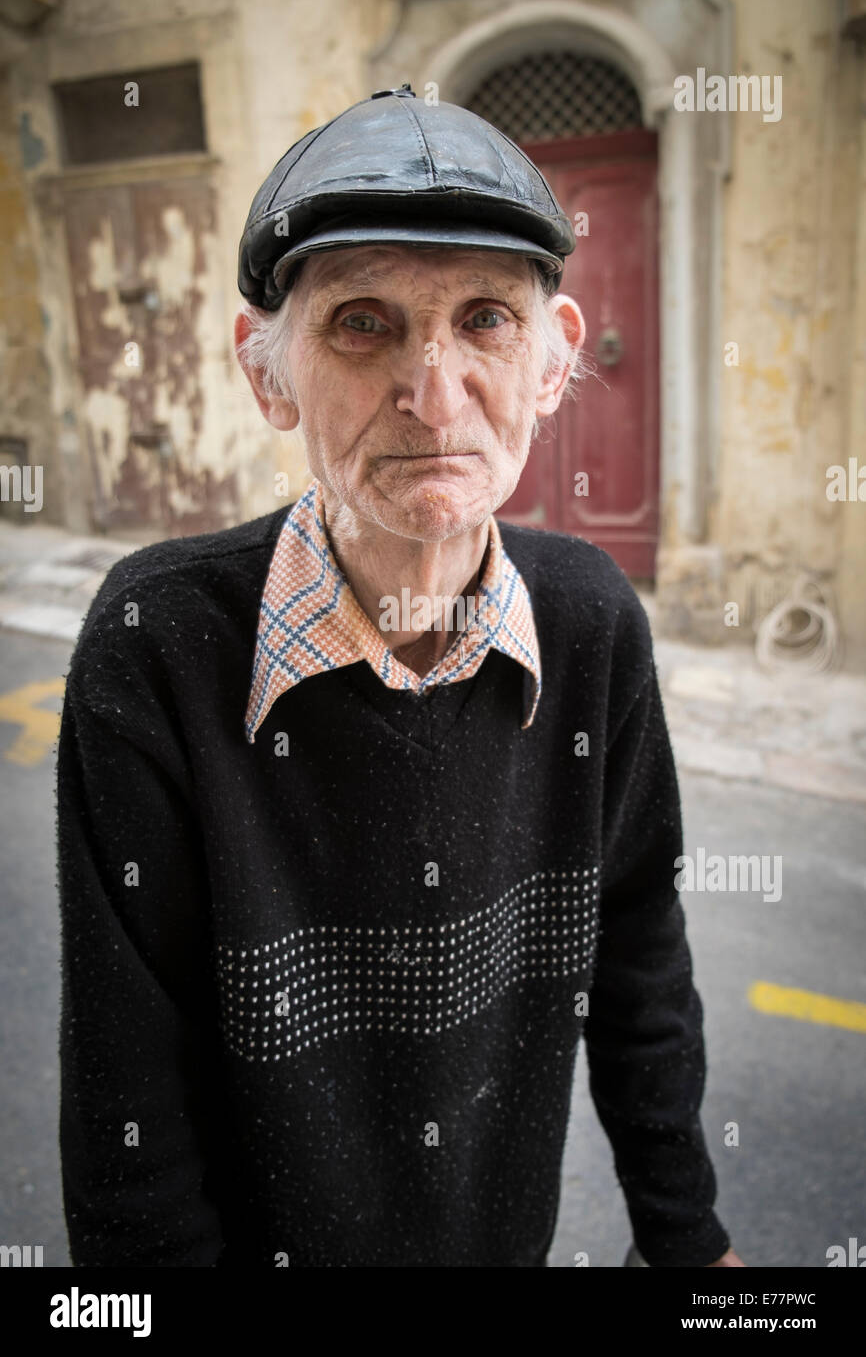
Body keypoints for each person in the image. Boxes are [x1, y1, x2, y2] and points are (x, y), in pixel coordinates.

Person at [56, 86, 743, 1268]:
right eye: (362, 323)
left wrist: (686, 1242)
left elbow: (638, 954)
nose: (433, 394)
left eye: (484, 319)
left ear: (550, 360)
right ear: (267, 373)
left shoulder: (589, 623)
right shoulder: (154, 640)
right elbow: (129, 1104)